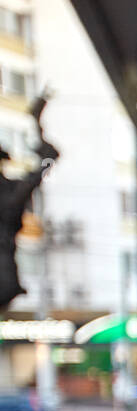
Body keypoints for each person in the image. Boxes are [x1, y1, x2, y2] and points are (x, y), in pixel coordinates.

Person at [0, 93, 59, 310]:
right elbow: (48, 160)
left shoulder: (14, 189)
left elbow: (48, 159)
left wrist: (37, 122)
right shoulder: (15, 189)